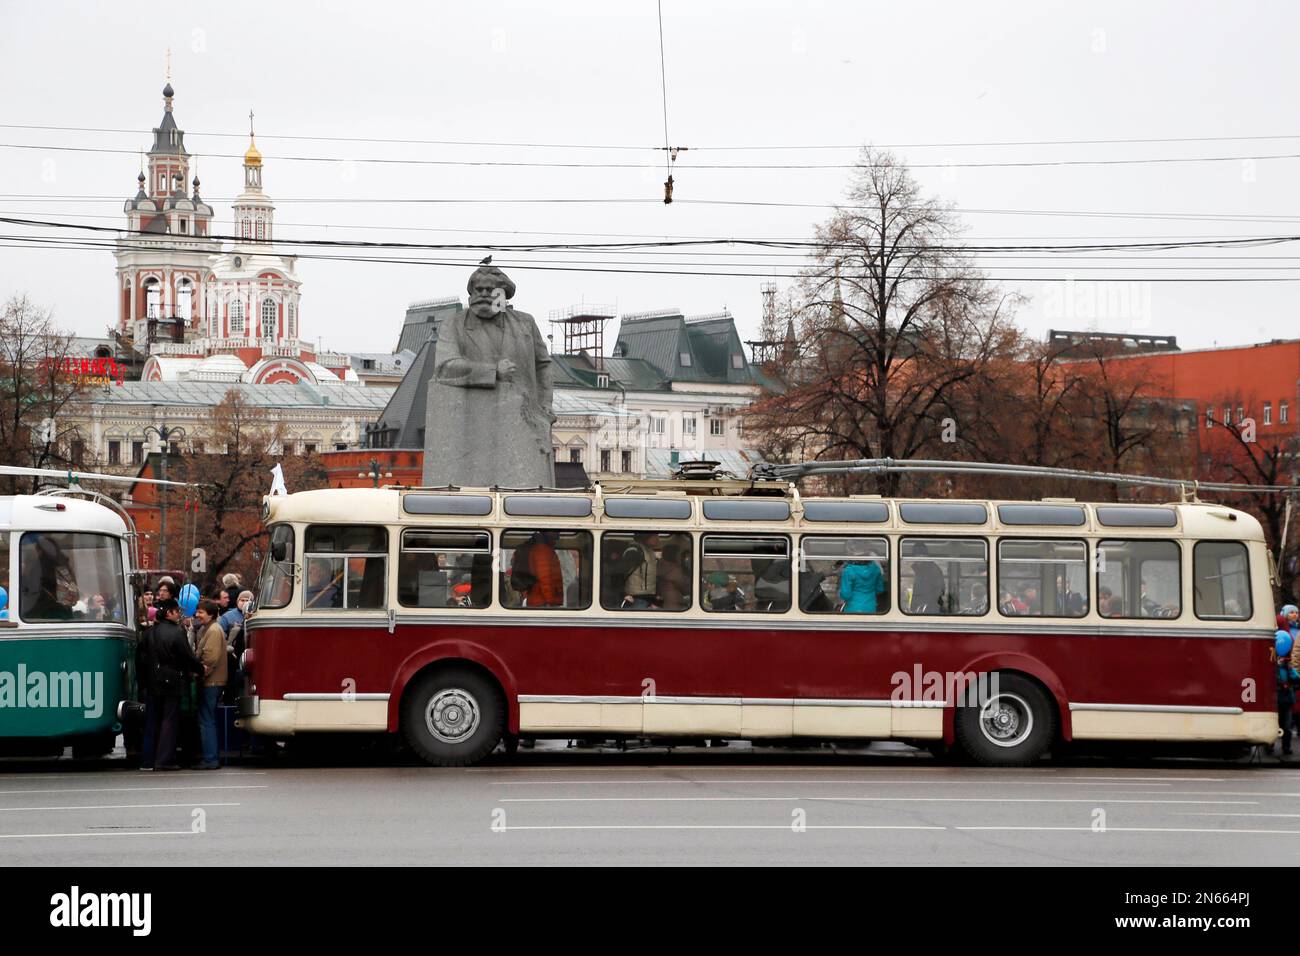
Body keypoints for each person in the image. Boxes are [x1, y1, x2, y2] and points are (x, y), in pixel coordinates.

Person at [138, 598, 203, 771]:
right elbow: (187, 656)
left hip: (152, 682)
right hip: (172, 681)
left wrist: (143, 681)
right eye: (176, 611)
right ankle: (164, 759)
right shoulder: (176, 632)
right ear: (169, 613)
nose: (179, 615)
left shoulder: (149, 633)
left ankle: (147, 760)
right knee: (169, 721)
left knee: (152, 721)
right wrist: (200, 669)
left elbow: (141, 659)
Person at [192, 600, 228, 770]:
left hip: (212, 681)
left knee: (207, 720)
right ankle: (210, 757)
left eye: (201, 612)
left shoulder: (213, 630)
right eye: (197, 611)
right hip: (213, 680)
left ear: (211, 614)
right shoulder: (211, 628)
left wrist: (198, 672)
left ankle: (210, 758)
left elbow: (210, 658)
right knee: (208, 719)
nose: (197, 615)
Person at [611, 533, 661, 608]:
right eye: (654, 536)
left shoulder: (649, 551)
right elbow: (618, 574)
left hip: (648, 597)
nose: (658, 539)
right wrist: (624, 594)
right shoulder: (635, 551)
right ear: (646, 537)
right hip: (636, 598)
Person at [838, 543, 885, 614]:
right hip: (870, 607)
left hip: (852, 608)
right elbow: (880, 589)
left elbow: (846, 595)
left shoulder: (848, 570)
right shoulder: (875, 568)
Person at [908, 544, 945, 613]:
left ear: (925, 556)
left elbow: (939, 591)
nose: (916, 559)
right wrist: (913, 608)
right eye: (915, 556)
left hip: (930, 610)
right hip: (923, 609)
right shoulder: (920, 570)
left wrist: (923, 605)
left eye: (919, 555)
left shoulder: (933, 570)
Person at [656, 542, 688, 610]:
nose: (682, 557)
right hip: (673, 598)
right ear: (674, 555)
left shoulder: (659, 565)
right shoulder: (675, 569)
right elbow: (682, 584)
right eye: (680, 554)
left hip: (664, 597)